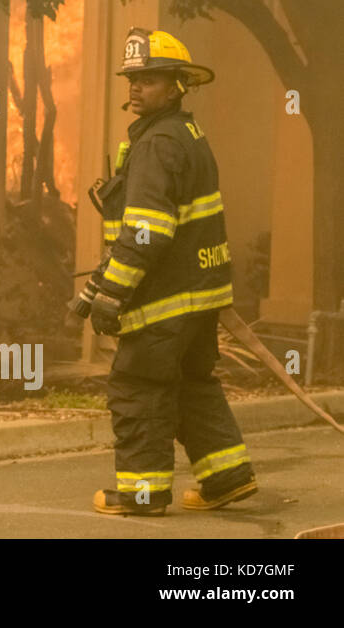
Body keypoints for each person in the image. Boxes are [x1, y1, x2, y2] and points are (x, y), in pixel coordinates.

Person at [72, 27, 255, 517]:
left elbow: (147, 232)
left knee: (139, 386)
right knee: (193, 382)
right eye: (133, 78)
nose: (136, 87)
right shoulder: (187, 134)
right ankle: (227, 476)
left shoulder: (156, 145)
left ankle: (142, 492)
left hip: (164, 298)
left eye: (149, 79)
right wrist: (98, 286)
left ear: (177, 84)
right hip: (199, 294)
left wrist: (111, 294)